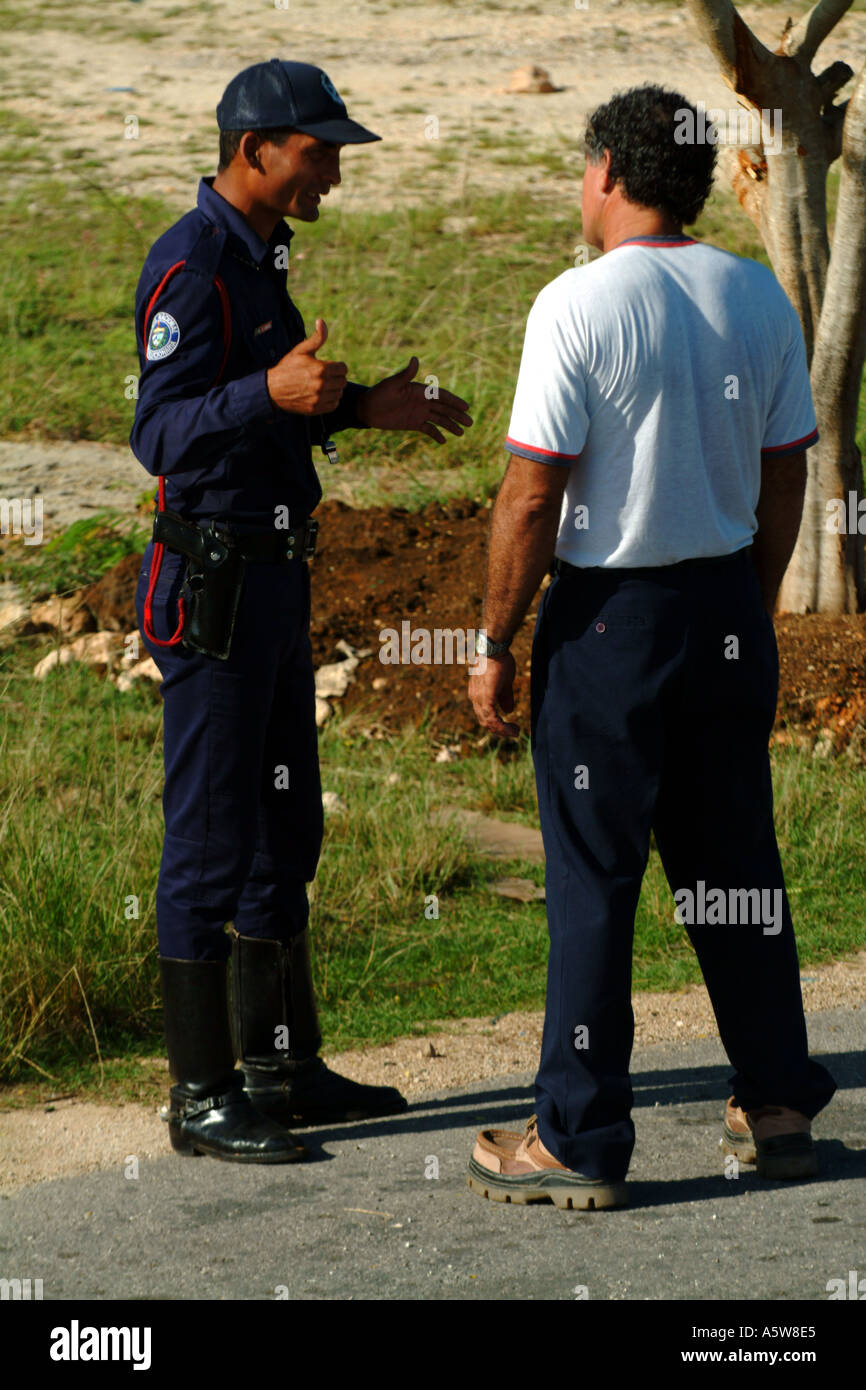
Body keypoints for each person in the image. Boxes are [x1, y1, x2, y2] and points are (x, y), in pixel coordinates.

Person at [465, 85, 836, 1209]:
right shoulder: (757, 295)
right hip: (723, 606)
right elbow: (787, 470)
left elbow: (531, 494)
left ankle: (577, 1132)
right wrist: (749, 599)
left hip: (611, 625)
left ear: (610, 175)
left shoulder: (574, 305)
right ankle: (774, 1100)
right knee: (735, 869)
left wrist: (493, 637)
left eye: (585, 169)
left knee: (593, 879)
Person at [131, 58, 472, 1163]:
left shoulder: (263, 253)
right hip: (215, 586)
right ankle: (200, 1096)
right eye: (317, 149)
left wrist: (363, 405)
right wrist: (262, 393)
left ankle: (279, 1065)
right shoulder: (190, 265)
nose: (332, 168)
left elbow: (275, 413)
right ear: (254, 151)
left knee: (287, 831)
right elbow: (158, 435)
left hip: (275, 576)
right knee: (212, 837)